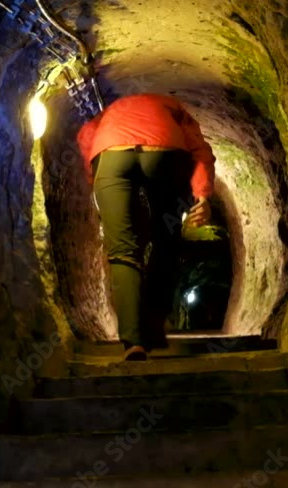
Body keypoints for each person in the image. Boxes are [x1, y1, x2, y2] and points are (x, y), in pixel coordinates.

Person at [77, 93, 216, 361]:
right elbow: (200, 151)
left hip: (111, 155)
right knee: (166, 238)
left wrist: (94, 178)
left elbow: (85, 136)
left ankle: (133, 342)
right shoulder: (172, 106)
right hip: (164, 154)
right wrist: (202, 196)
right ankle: (152, 328)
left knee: (123, 250)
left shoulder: (111, 111)